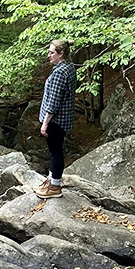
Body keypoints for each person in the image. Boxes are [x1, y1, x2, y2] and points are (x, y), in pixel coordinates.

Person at [34, 39, 76, 198]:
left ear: (61, 53)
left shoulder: (59, 73)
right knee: (55, 151)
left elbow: (53, 101)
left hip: (56, 121)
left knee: (55, 152)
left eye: (52, 52)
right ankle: (51, 181)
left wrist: (45, 123)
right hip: (63, 119)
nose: (48, 55)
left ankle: (55, 187)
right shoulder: (68, 68)